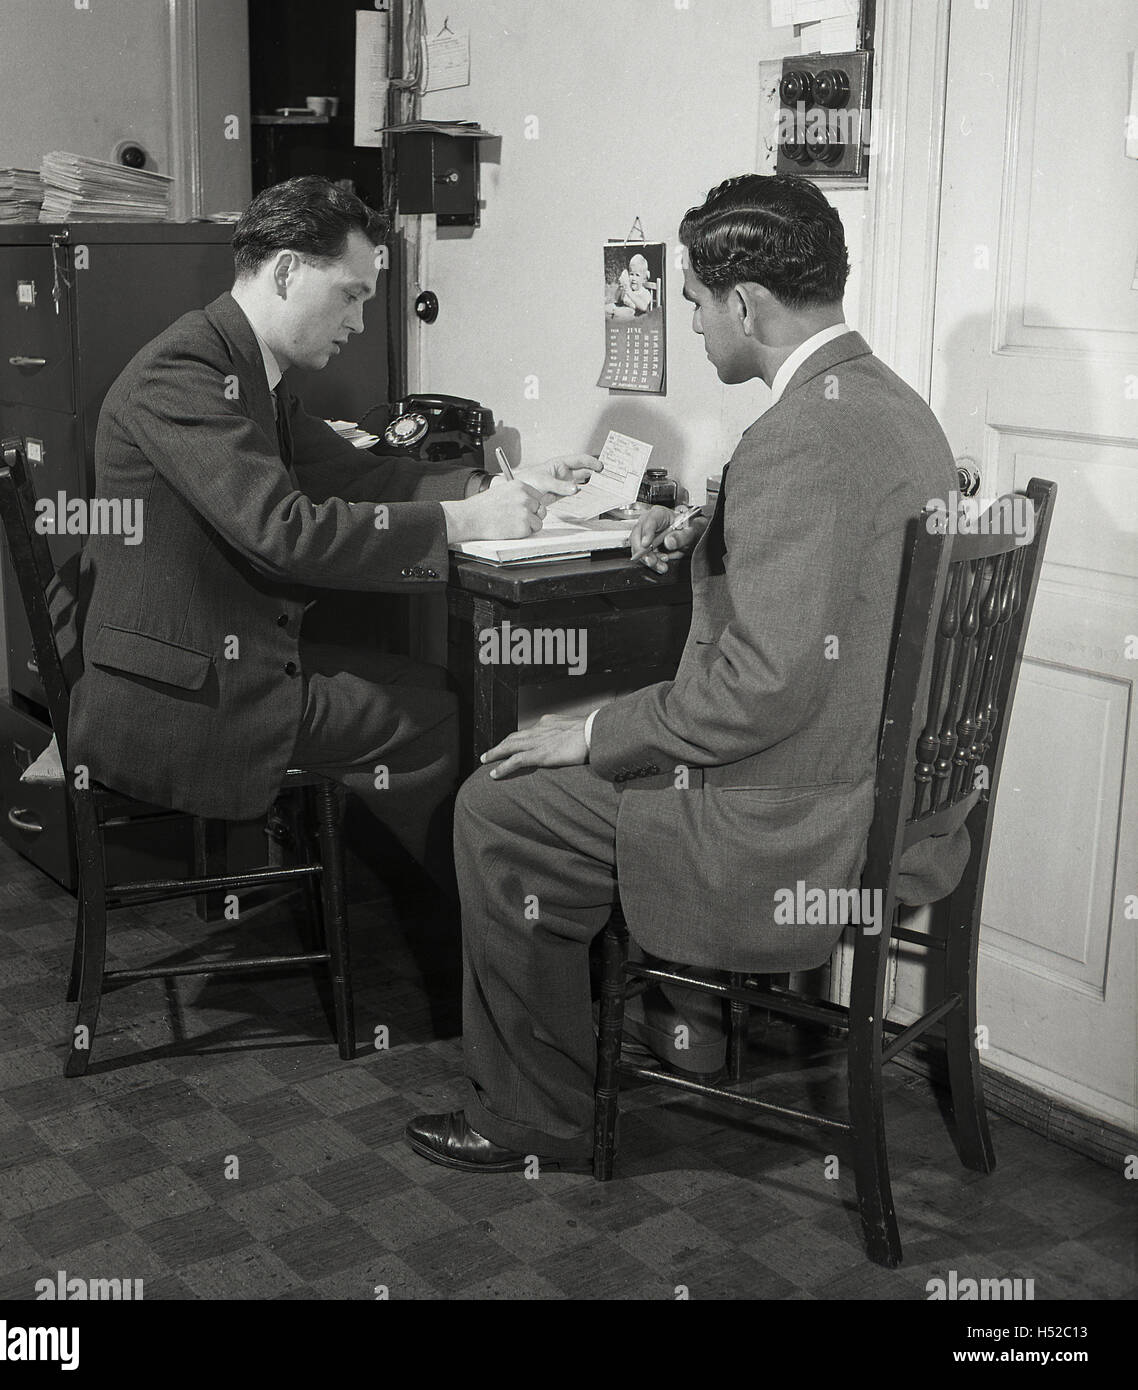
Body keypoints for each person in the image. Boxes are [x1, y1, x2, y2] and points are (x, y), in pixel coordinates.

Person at [407, 173, 971, 1172]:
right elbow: (842, 567)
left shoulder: (798, 436)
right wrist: (709, 532)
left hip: (800, 812)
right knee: (604, 762)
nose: (697, 326)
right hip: (893, 788)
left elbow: (761, 687)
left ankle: (531, 1114)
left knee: (500, 806)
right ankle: (685, 1034)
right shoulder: (891, 404)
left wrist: (593, 732)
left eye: (696, 307)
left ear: (744, 304)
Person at [67, 176, 594, 897]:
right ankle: (479, 913)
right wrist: (462, 526)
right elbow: (282, 532)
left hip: (212, 654)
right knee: (434, 711)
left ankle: (457, 906)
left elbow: (354, 478)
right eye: (350, 294)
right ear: (287, 272)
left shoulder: (247, 369)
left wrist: (492, 489)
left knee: (426, 684)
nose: (358, 321)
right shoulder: (185, 372)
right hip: (178, 696)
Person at [606, 252, 655, 318]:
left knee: (619, 314)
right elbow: (617, 299)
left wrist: (629, 292)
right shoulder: (628, 288)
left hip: (636, 319)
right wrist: (620, 288)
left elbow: (644, 307)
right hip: (622, 312)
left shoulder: (645, 293)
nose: (633, 278)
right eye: (631, 274)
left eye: (637, 275)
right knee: (606, 308)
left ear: (644, 279)